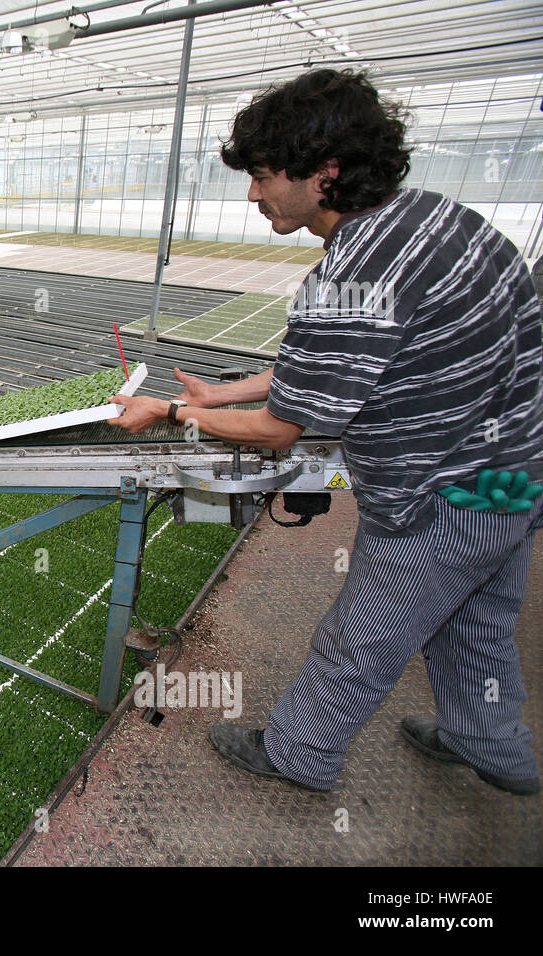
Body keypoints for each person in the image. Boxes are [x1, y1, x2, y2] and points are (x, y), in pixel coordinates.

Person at [108, 68, 542, 795]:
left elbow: (284, 427)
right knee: (478, 620)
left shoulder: (354, 271)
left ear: (326, 172)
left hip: (441, 497)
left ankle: (301, 753)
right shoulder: (440, 220)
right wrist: (223, 390)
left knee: (361, 638)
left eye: (264, 175)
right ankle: (492, 743)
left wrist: (180, 411)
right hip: (513, 478)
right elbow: (342, 363)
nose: (253, 194)